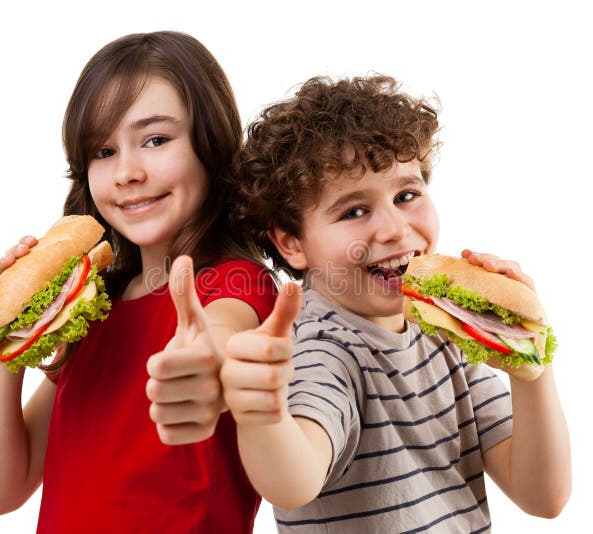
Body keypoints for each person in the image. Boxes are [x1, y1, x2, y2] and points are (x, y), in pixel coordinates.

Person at [221, 75, 571, 532]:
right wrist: (262, 413)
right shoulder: (320, 346)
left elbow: (542, 495)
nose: (394, 229)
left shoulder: (440, 329)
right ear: (292, 243)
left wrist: (532, 365)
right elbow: (294, 480)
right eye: (354, 211)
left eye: (406, 195)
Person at [0, 31, 277, 533]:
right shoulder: (95, 308)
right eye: (103, 150)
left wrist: (208, 364)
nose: (127, 172)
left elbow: (220, 338)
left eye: (155, 139)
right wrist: (10, 340)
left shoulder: (236, 285)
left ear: (211, 144)